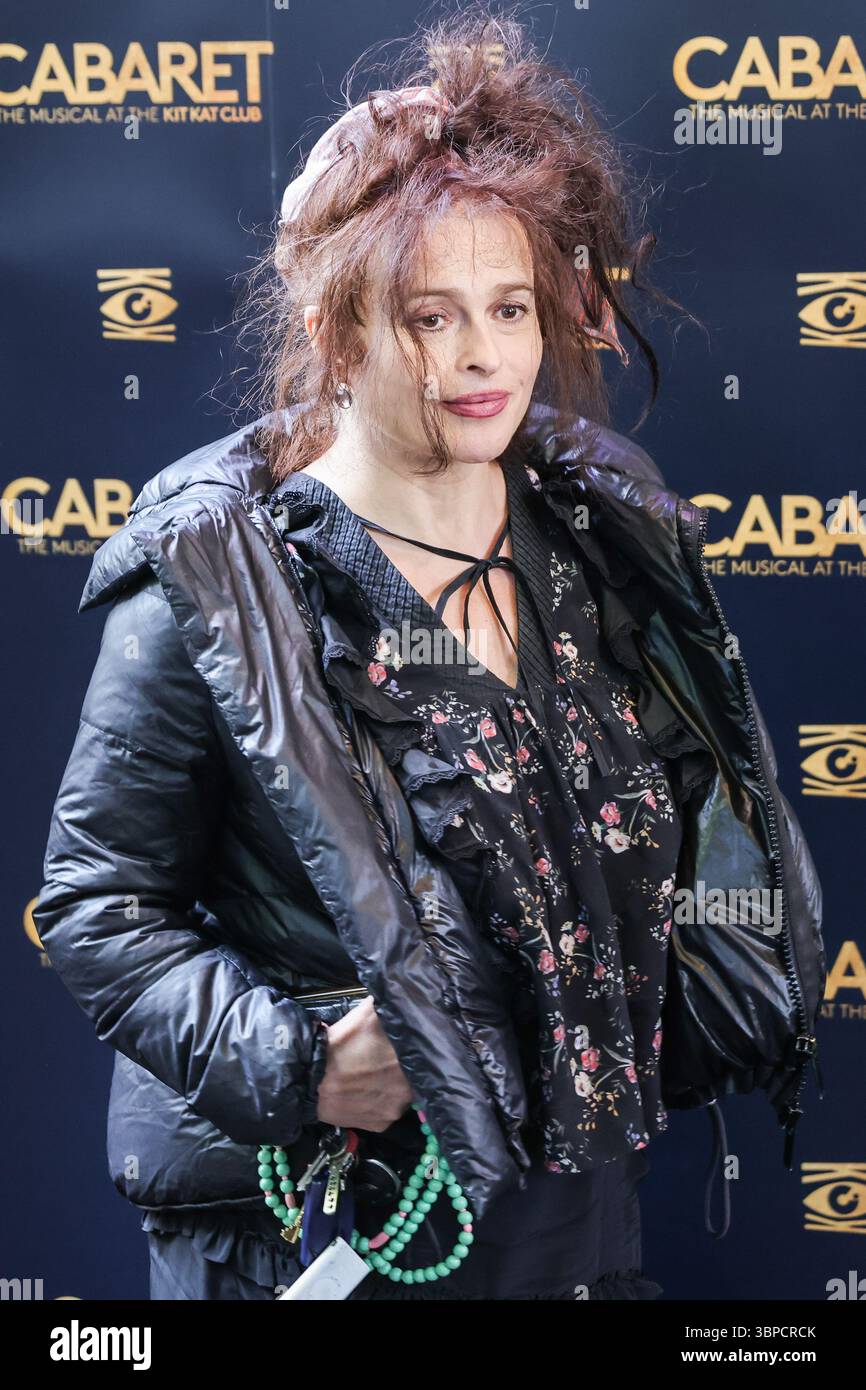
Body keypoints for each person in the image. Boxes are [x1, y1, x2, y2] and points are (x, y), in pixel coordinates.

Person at [33, 9, 825, 1301]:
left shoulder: (599, 554)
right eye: (427, 313)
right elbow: (94, 904)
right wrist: (293, 1061)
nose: (480, 356)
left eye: (508, 307)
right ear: (336, 318)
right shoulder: (217, 583)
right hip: (327, 1222)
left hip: (575, 1228)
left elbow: (706, 835)